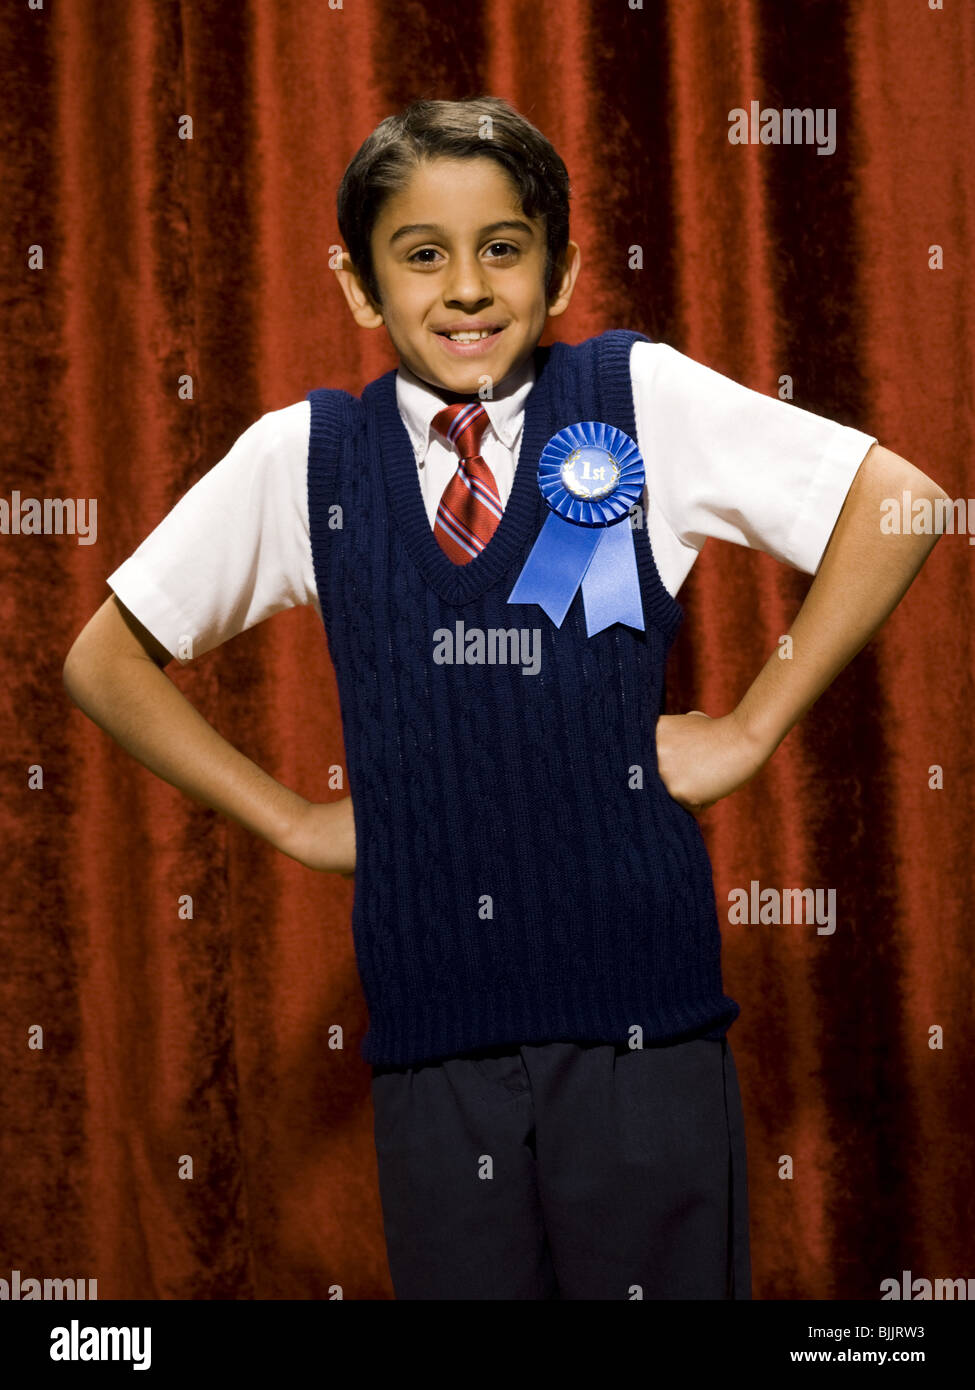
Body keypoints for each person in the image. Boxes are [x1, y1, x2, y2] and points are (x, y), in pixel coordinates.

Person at [63, 96, 949, 1300]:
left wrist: (755, 724)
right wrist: (291, 820)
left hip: (646, 1028)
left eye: (504, 247)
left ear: (563, 267)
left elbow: (899, 502)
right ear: (359, 287)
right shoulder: (306, 457)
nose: (467, 286)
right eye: (422, 254)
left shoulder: (633, 397)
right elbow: (99, 661)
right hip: (436, 1046)